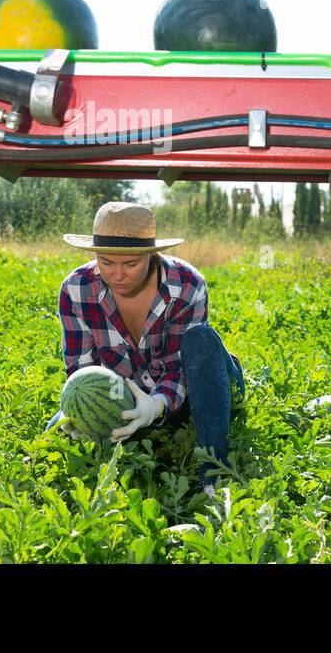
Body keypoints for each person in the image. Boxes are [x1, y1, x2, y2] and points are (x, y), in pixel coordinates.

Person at [58, 202, 244, 492]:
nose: (117, 274)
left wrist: (156, 405)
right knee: (57, 428)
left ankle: (212, 473)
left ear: (151, 255)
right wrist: (82, 416)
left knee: (202, 339)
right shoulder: (76, 289)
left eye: (130, 264)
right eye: (106, 262)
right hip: (131, 403)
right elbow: (82, 370)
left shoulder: (186, 284)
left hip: (202, 391)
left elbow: (179, 368)